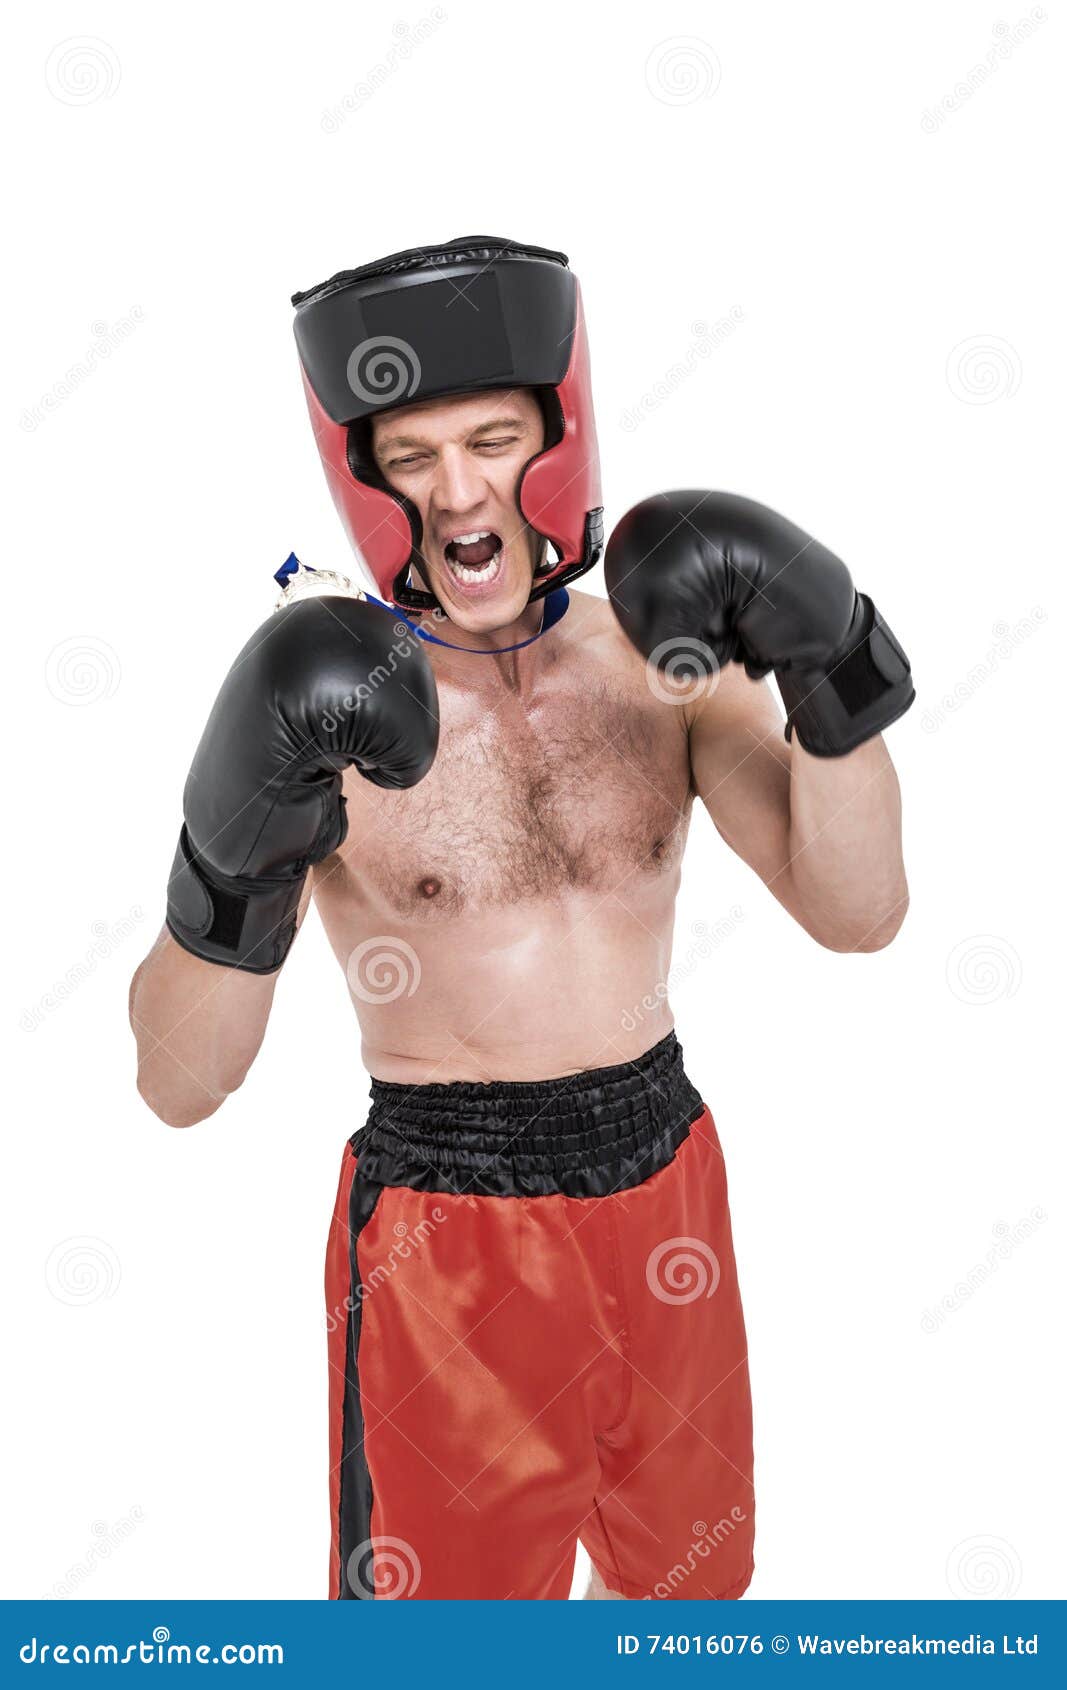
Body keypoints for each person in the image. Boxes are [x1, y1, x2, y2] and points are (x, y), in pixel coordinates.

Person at [130, 238, 913, 1600]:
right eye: (410, 454)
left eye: (492, 438)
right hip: (451, 1225)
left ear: (562, 437)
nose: (458, 489)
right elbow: (179, 1084)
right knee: (443, 1651)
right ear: (361, 480)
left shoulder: (663, 660)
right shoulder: (323, 710)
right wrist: (228, 854)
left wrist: (832, 659)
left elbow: (859, 912)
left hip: (667, 1168)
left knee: (684, 1610)